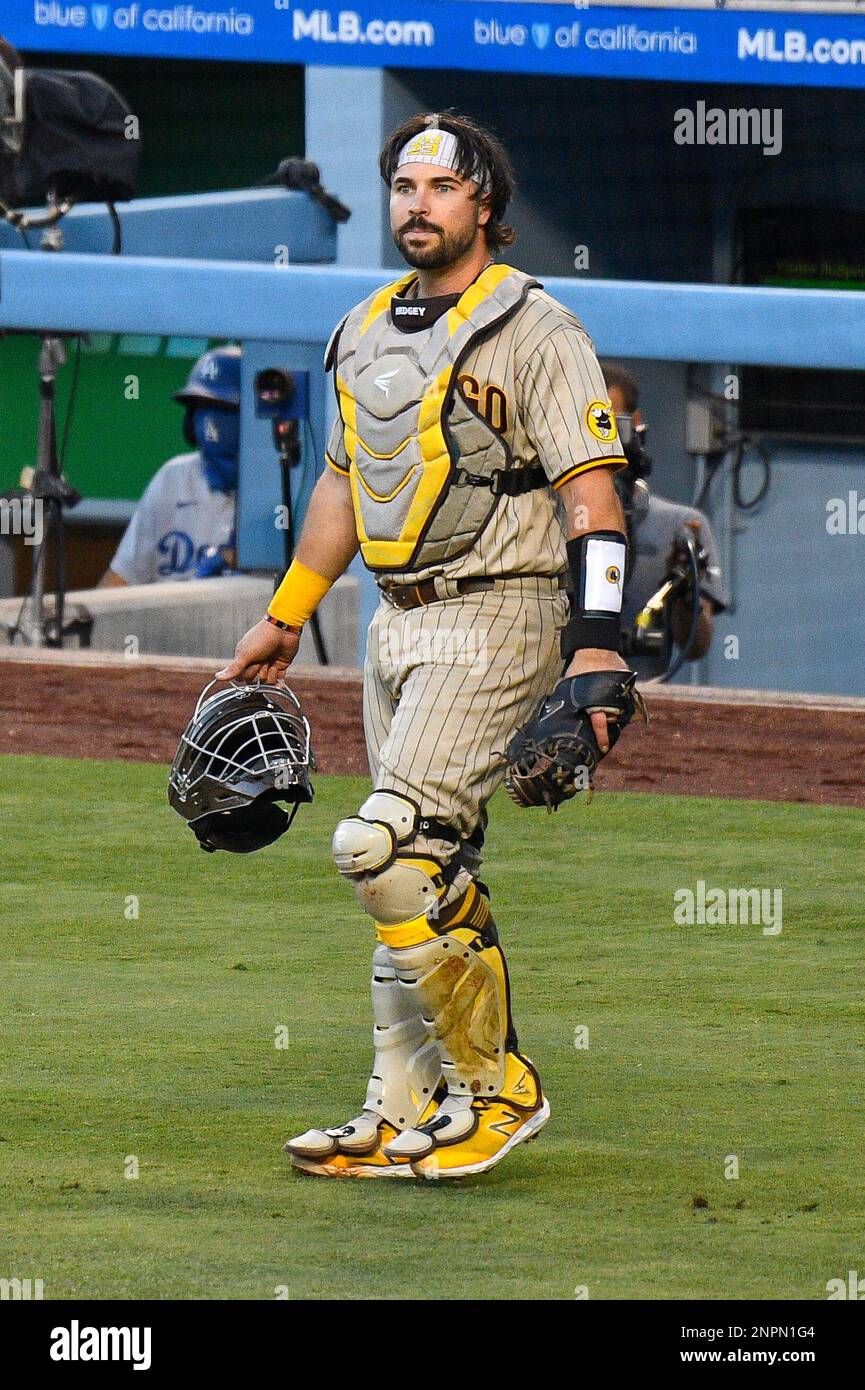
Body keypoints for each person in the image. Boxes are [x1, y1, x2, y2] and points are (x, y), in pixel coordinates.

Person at [219, 112, 644, 1180]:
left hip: (500, 607)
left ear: (484, 207)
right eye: (403, 186)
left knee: (382, 848)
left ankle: (497, 1089)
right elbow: (339, 482)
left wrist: (596, 647)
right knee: (420, 869)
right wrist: (285, 612)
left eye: (439, 188)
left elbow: (593, 498)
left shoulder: (538, 331)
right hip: (394, 619)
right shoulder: (362, 328)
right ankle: (401, 1104)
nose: (417, 203)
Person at [601, 363, 726, 681]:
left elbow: (696, 647)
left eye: (606, 424)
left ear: (635, 423)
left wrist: (686, 592)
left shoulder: (681, 526)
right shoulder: (544, 521)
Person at [100, 345, 240, 587]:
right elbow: (121, 579)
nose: (211, 426)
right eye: (202, 410)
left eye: (224, 411)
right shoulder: (173, 478)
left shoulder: (280, 489)